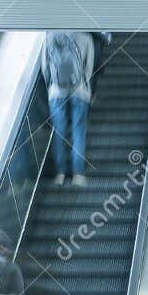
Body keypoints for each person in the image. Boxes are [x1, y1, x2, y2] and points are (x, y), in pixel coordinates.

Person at [41, 30, 96, 185]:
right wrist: (83, 84)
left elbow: (45, 67)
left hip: (56, 92)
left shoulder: (50, 36)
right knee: (78, 130)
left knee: (59, 131)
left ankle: (60, 174)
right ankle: (78, 175)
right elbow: (89, 68)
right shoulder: (86, 37)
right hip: (80, 91)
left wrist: (52, 85)